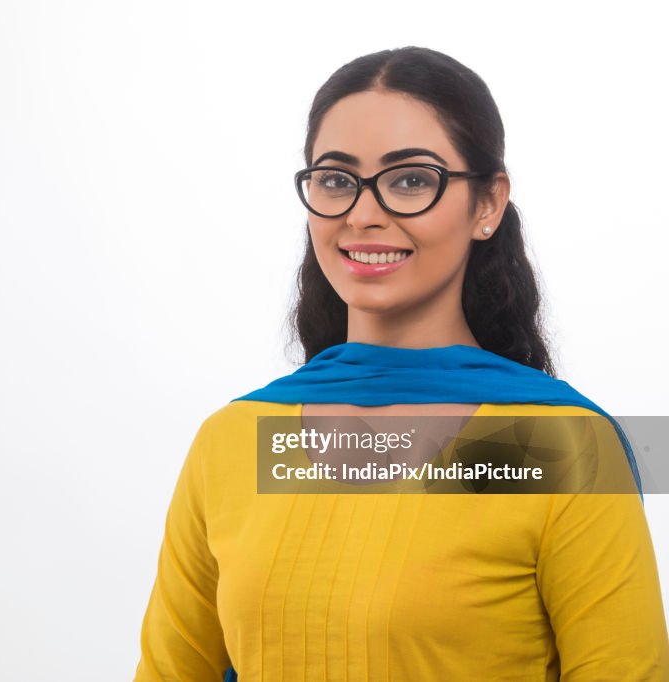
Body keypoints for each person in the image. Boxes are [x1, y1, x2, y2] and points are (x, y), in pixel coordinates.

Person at [133, 46, 669, 681]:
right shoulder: (233, 442)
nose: (363, 215)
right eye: (336, 180)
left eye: (411, 179)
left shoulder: (559, 448)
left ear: (488, 204)